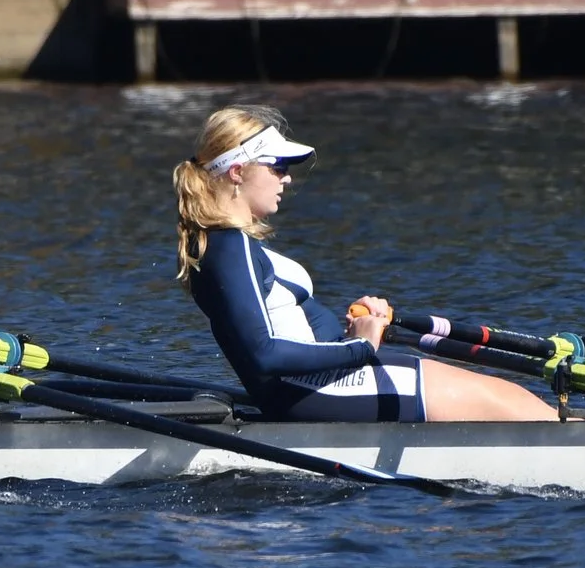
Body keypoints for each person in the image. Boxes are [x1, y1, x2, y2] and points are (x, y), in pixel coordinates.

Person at [175, 106, 557, 423]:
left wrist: (357, 329)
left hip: (323, 380)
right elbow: (264, 353)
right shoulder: (229, 245)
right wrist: (360, 346)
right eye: (278, 166)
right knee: (511, 405)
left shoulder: (225, 244)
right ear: (238, 171)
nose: (287, 178)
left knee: (515, 400)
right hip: (314, 390)